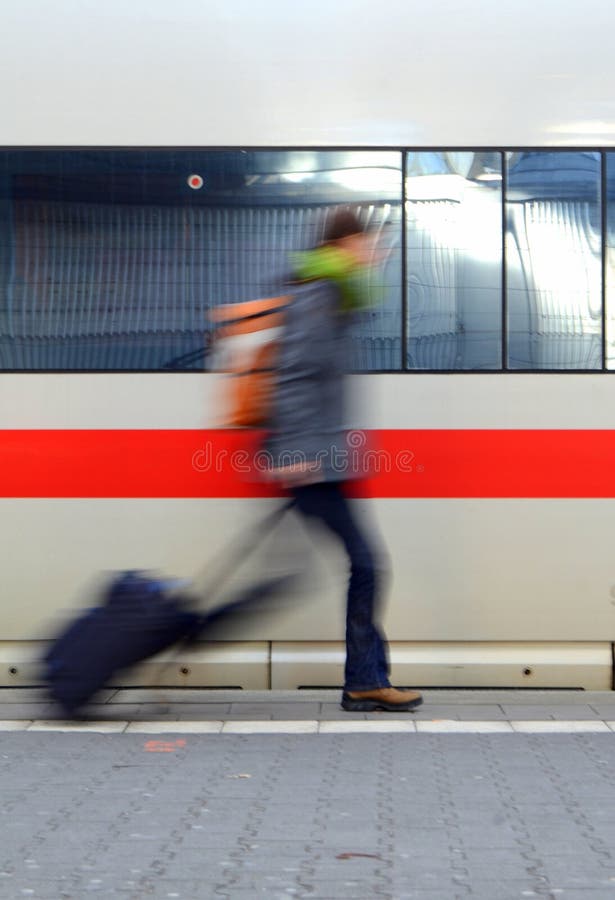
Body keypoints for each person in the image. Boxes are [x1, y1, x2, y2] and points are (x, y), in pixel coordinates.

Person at [265, 208, 423, 712]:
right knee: (367, 564)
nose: (370, 253)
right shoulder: (317, 297)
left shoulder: (334, 295)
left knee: (365, 564)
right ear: (340, 245)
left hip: (328, 459)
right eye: (363, 244)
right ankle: (364, 680)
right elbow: (292, 377)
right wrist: (293, 455)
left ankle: (366, 679)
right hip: (312, 462)